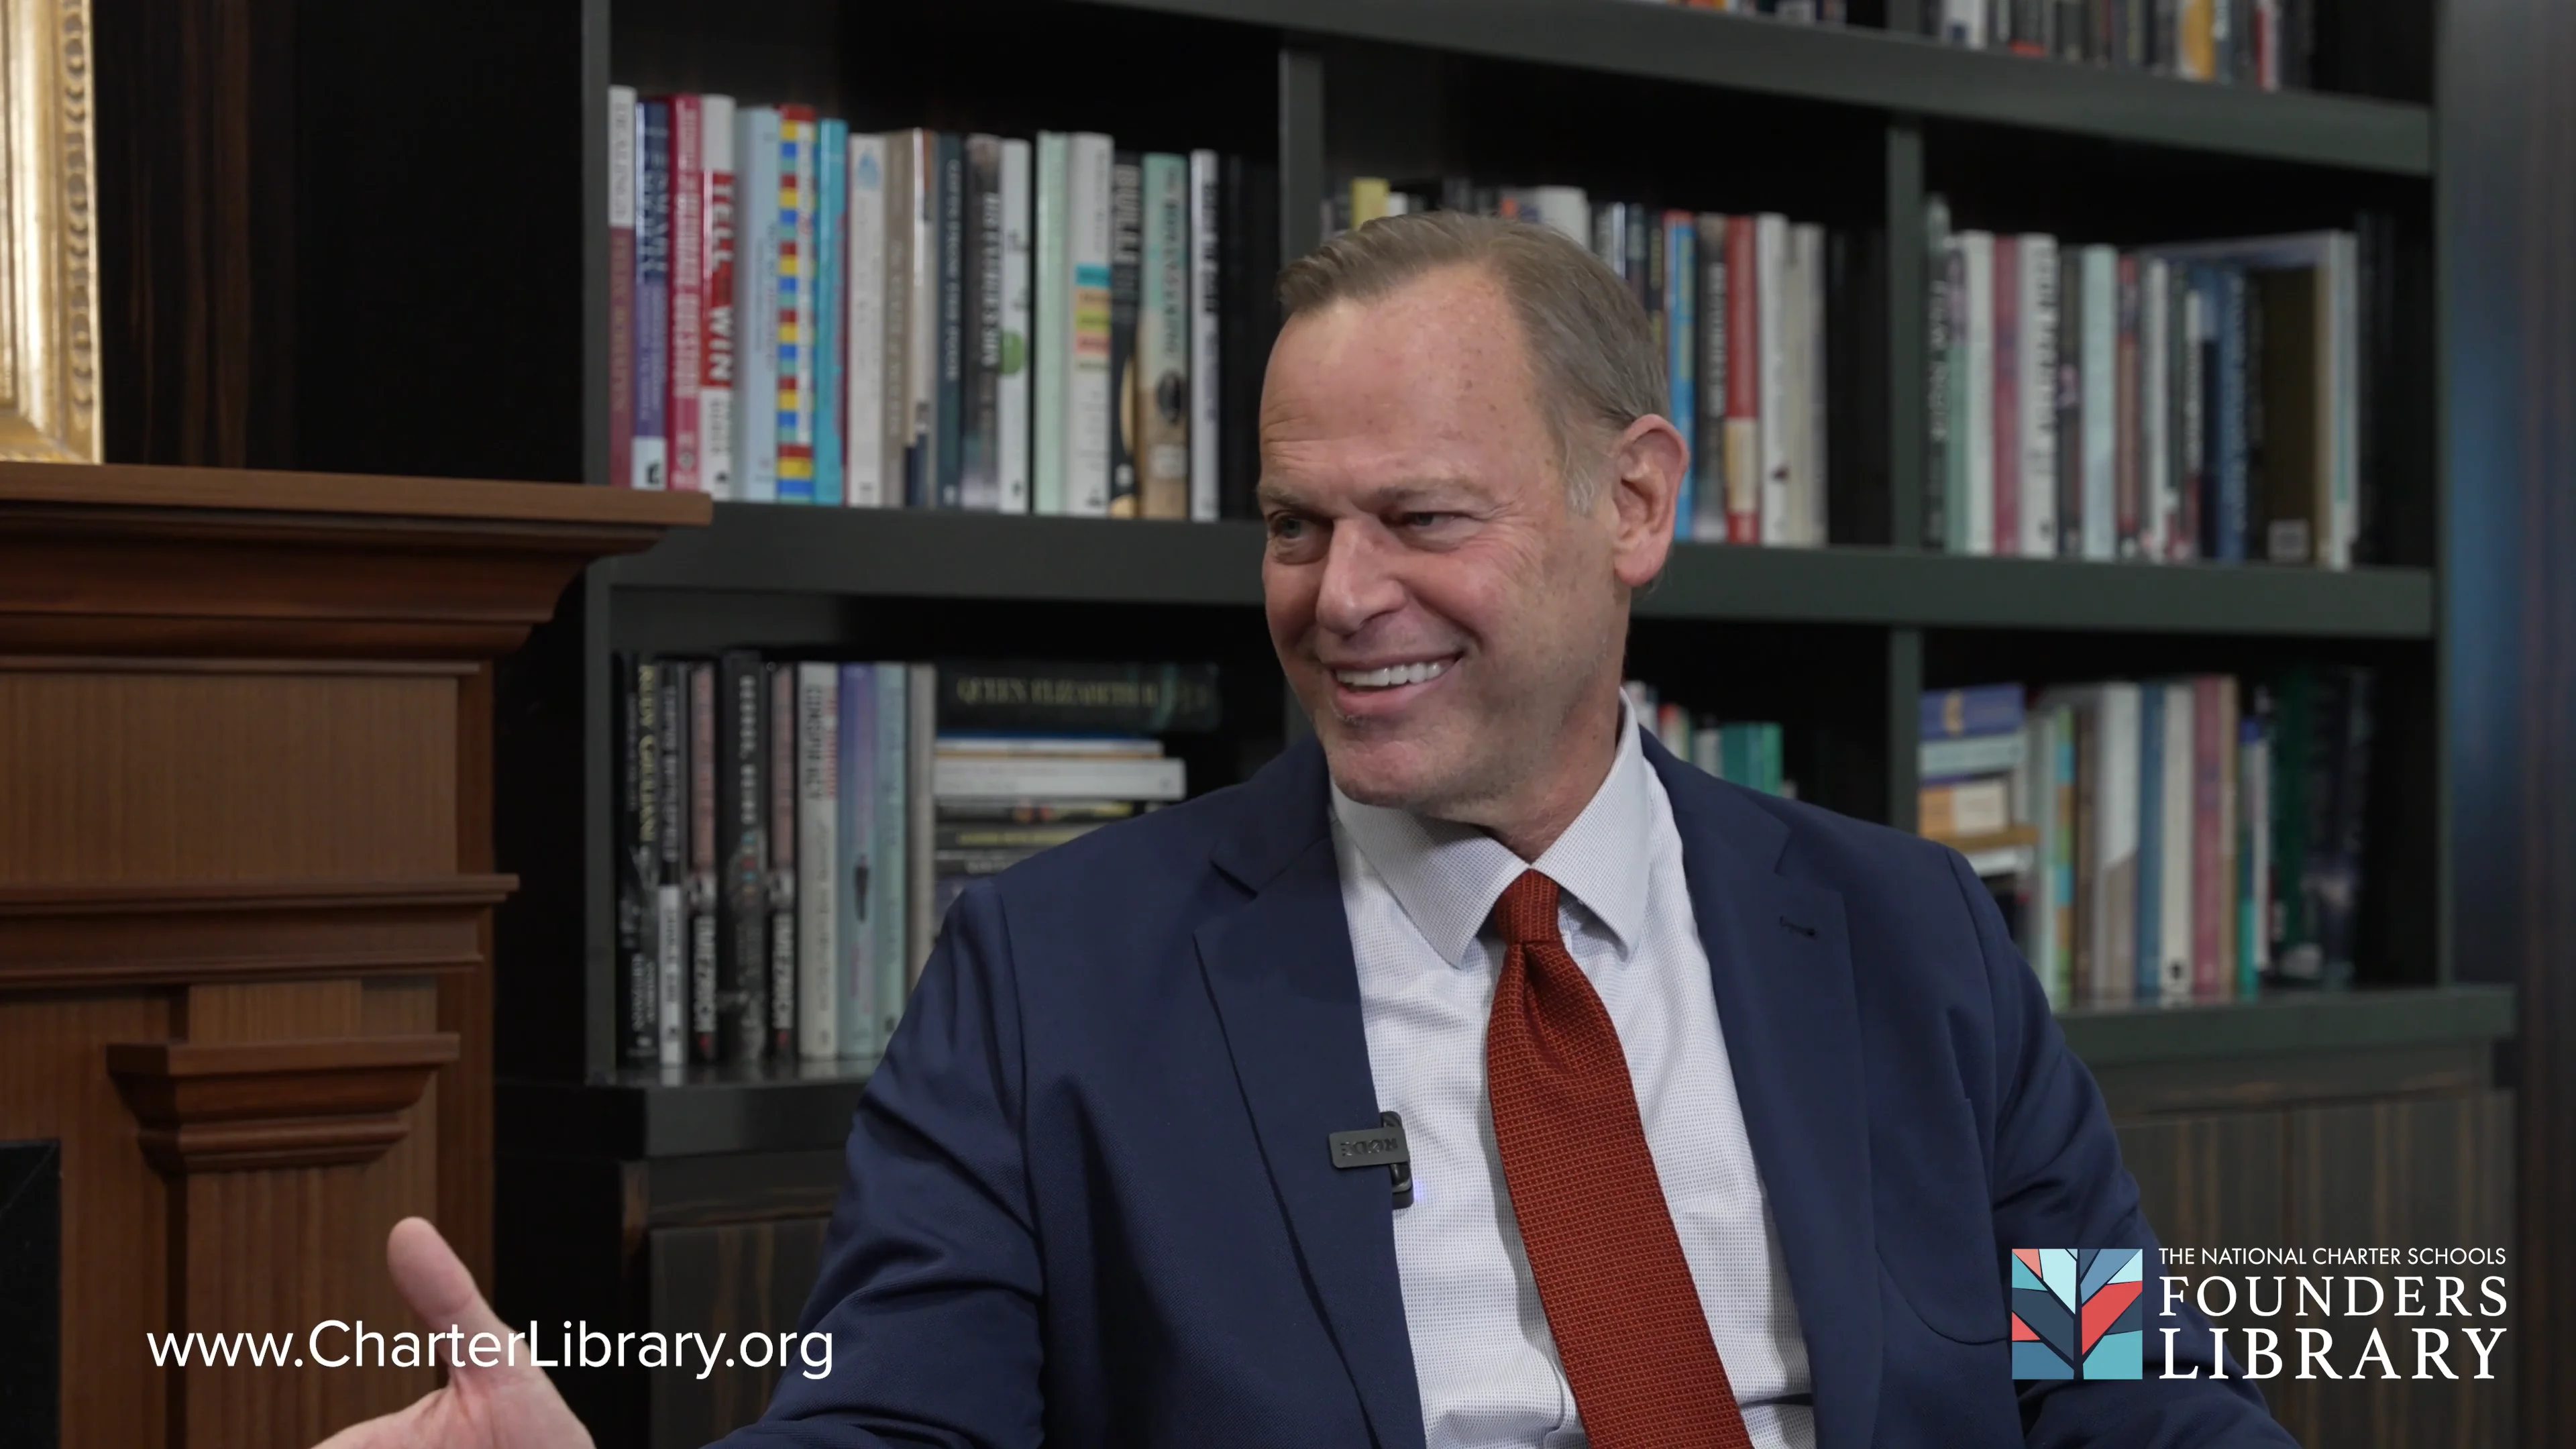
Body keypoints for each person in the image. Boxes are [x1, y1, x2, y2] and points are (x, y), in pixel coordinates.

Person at [327, 211, 2291, 1449]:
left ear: (1634, 504)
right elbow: (900, 1419)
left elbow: (2125, 1384)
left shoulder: (1907, 935)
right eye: (1292, 525)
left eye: (1420, 519)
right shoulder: (1055, 975)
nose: (1340, 598)